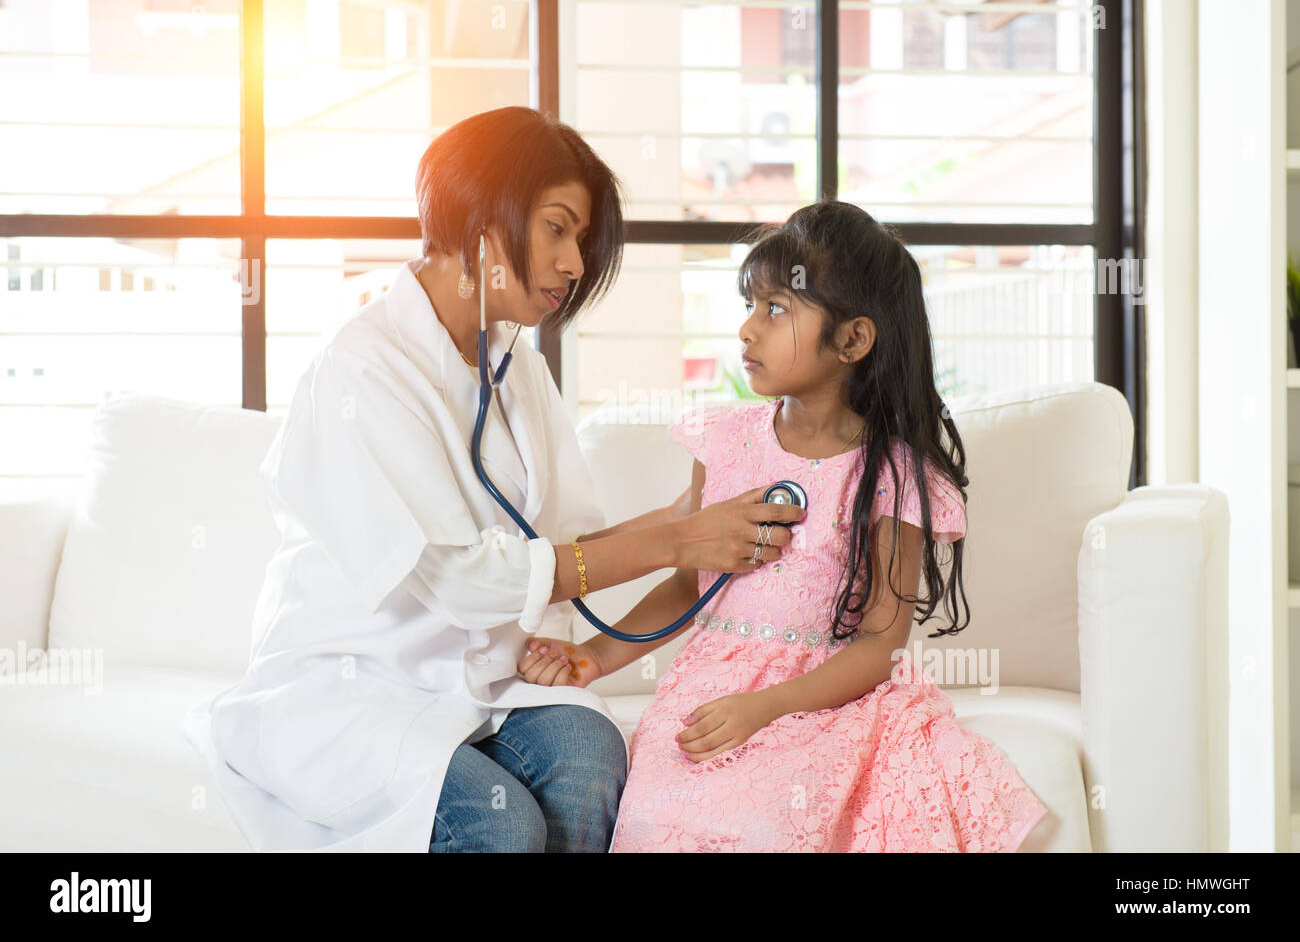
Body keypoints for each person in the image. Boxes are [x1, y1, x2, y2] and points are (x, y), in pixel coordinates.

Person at [180, 106, 801, 853]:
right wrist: (675, 538)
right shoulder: (362, 369)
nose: (574, 264)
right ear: (480, 209)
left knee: (588, 757)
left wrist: (686, 521)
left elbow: (563, 542)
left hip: (489, 685)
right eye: (558, 227)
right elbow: (466, 583)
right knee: (502, 823)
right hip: (351, 689)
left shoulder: (517, 365)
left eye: (581, 240)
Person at [520, 200, 1051, 852]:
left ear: (853, 340)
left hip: (813, 703)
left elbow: (877, 648)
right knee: (655, 825)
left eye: (776, 309)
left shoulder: (890, 476)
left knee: (763, 826)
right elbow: (692, 584)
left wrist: (765, 706)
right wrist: (593, 657)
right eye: (750, 305)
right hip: (708, 688)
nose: (747, 330)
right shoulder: (728, 441)